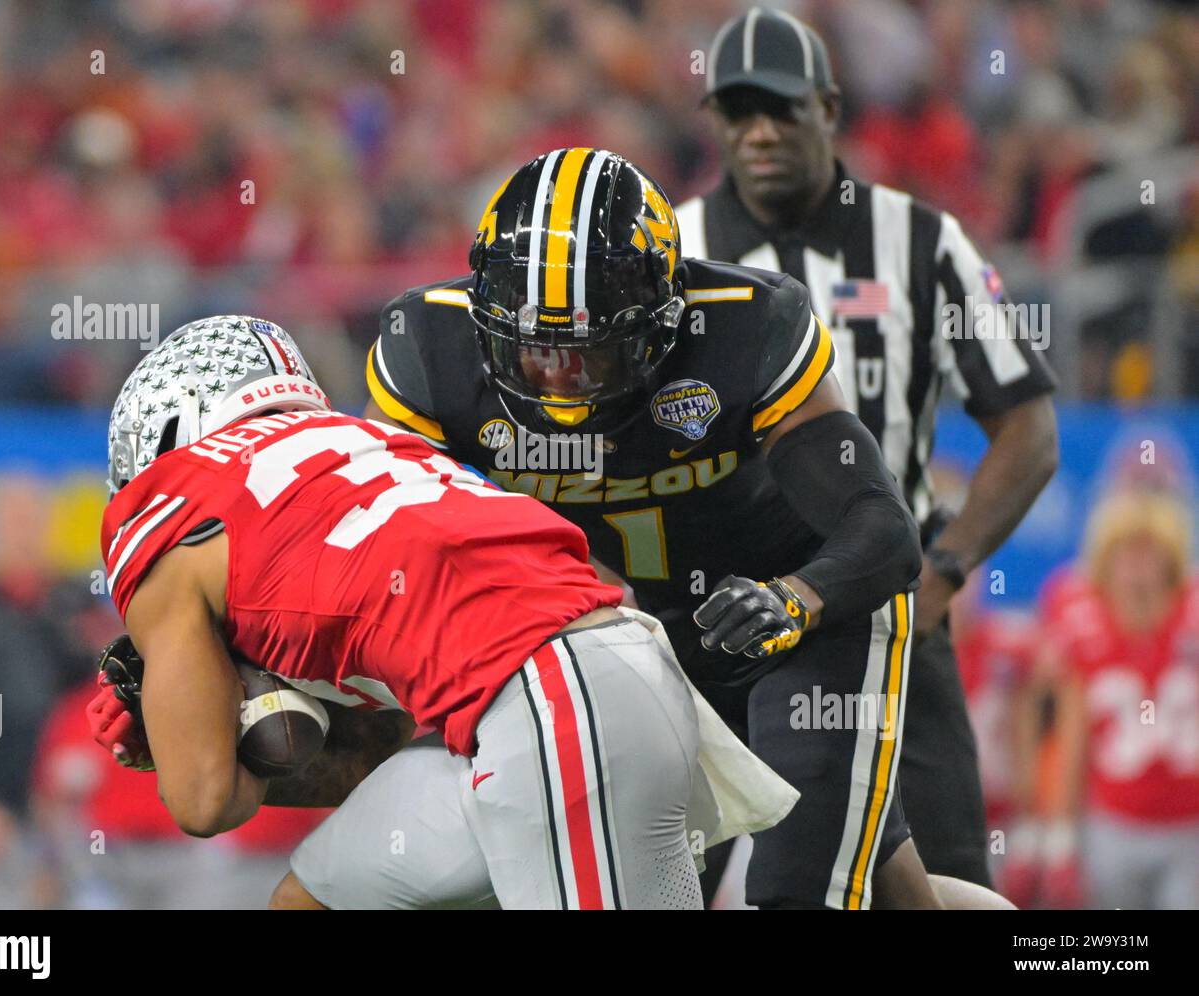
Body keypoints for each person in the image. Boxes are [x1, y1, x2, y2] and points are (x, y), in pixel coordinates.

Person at [361, 147, 958, 909]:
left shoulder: (747, 327)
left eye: (590, 350)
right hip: (648, 640)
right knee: (663, 889)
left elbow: (881, 527)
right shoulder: (428, 346)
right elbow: (387, 543)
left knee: (800, 889)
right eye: (536, 348)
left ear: (663, 319)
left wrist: (795, 598)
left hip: (808, 617)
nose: (559, 378)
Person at [92, 314, 711, 909]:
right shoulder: (367, 443)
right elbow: (378, 751)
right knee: (314, 899)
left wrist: (198, 745)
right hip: (583, 683)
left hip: (556, 701)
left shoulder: (163, 515)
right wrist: (247, 734)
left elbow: (204, 803)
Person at [674, 7, 1059, 887]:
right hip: (715, 613)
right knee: (665, 874)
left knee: (945, 869)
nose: (760, 131)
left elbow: (1028, 424)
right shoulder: (674, 250)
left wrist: (948, 564)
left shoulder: (921, 241)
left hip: (884, 603)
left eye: (781, 108)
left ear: (830, 108)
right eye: (738, 112)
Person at [1037, 489, 1199, 909]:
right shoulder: (1081, 619)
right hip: (1113, 822)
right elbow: (1072, 739)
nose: (1138, 570)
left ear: (1173, 561)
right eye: (1127, 555)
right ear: (1104, 563)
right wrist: (1060, 841)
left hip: (1190, 825)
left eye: (1150, 554)